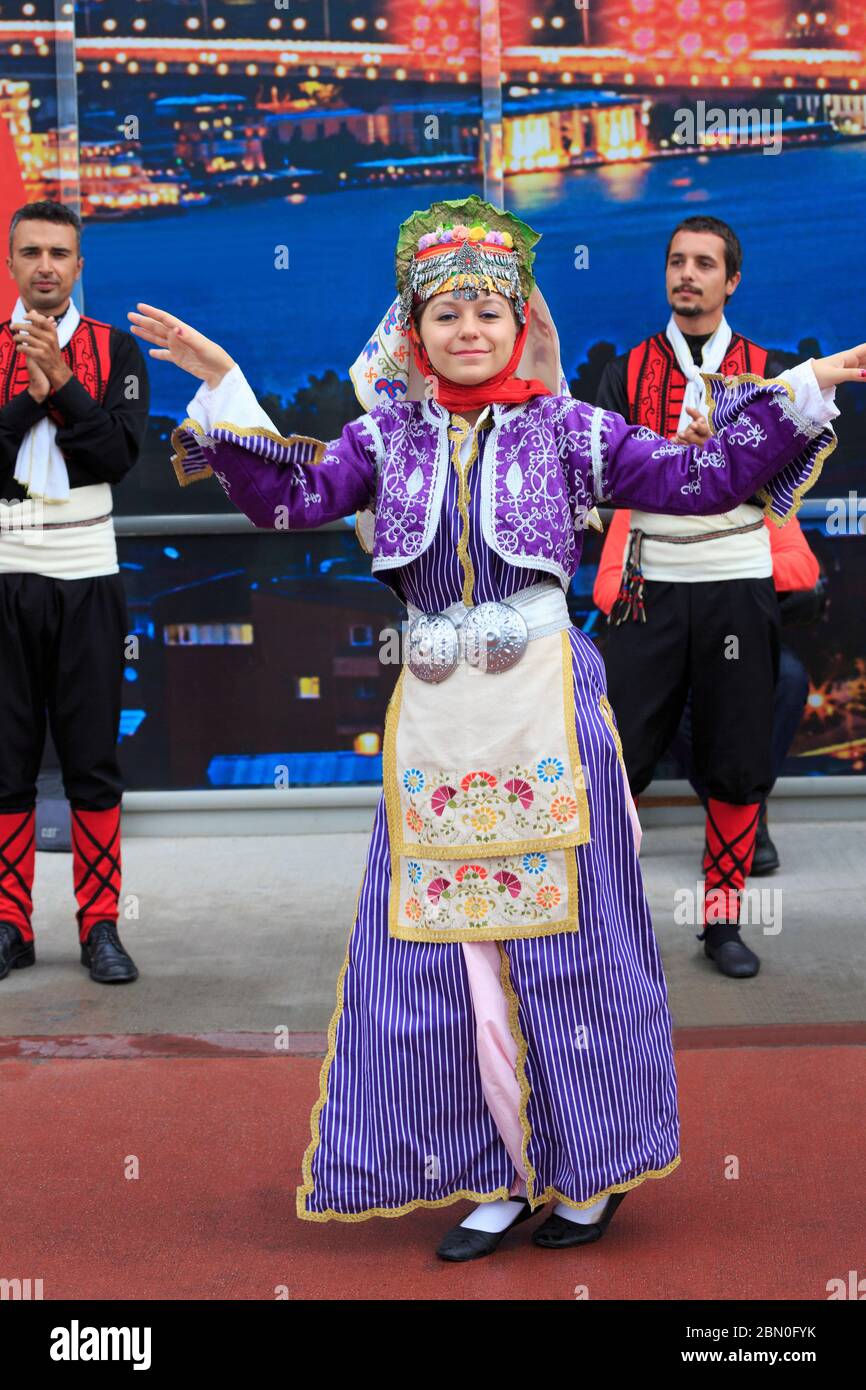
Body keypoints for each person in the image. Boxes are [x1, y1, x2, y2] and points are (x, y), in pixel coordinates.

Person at [129, 196, 857, 1259]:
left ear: (520, 324)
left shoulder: (572, 431)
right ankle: (486, 1167)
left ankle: (590, 1165)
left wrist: (799, 393)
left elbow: (700, 480)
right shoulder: (383, 439)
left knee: (569, 946)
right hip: (434, 721)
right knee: (440, 952)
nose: (466, 329)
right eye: (444, 313)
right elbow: (289, 499)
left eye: (487, 310)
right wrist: (221, 383)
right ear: (412, 332)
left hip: (546, 713)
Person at [592, 214, 838, 979]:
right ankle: (604, 930)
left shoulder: (772, 372)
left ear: (732, 280)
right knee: (611, 763)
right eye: (676, 262)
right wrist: (673, 458)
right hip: (646, 588)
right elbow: (601, 478)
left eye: (704, 263)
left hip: (737, 584)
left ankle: (722, 926)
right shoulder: (625, 372)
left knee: (735, 762)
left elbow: (785, 481)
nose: (686, 275)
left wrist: (730, 448)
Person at [0, 201, 149, 985]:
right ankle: (9, 924)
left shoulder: (115, 348)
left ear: (79, 265)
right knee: (5, 763)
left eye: (60, 253)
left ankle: (100, 927)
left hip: (88, 569)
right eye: (32, 252)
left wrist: (63, 385)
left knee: (92, 760)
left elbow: (118, 455)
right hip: (4, 569)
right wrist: (37, 394)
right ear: (12, 262)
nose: (47, 266)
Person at [593, 509, 823, 875]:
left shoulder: (756, 487)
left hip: (732, 633)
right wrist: (681, 583)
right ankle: (610, 871)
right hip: (663, 636)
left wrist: (725, 570)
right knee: (658, 696)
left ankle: (747, 811)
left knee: (786, 680)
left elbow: (803, 568)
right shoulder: (645, 489)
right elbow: (606, 586)